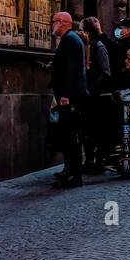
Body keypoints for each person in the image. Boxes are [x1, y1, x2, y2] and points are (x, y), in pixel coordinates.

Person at [49, 10, 88, 187]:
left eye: (54, 21)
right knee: (67, 136)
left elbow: (71, 70)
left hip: (70, 97)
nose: (52, 24)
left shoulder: (70, 40)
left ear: (63, 23)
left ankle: (74, 175)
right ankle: (70, 171)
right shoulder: (70, 39)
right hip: (70, 95)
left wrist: (65, 95)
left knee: (71, 136)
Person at [81, 16, 112, 172]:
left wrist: (92, 88)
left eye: (83, 30)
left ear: (88, 32)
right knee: (87, 129)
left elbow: (105, 72)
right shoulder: (88, 47)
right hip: (88, 95)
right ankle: (90, 160)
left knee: (97, 128)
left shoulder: (99, 47)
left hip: (97, 96)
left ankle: (99, 159)